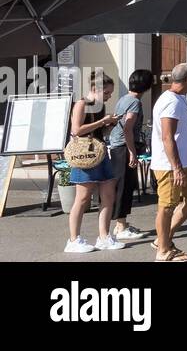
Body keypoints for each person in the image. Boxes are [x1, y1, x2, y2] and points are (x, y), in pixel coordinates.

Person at [151, 62, 187, 262]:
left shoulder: (179, 99)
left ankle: (163, 239)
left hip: (184, 162)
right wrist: (177, 168)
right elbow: (167, 137)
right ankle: (163, 251)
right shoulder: (170, 102)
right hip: (169, 164)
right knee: (167, 206)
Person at [64, 72, 123, 253]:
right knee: (82, 198)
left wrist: (109, 125)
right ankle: (73, 240)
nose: (108, 96)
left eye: (110, 93)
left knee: (108, 195)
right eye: (106, 93)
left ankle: (104, 237)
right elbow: (76, 131)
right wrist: (102, 122)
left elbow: (98, 134)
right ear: (95, 89)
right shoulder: (82, 104)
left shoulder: (100, 106)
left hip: (99, 152)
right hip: (84, 156)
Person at [108, 69, 154, 243]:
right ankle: (120, 226)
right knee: (125, 186)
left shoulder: (123, 99)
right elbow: (127, 128)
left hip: (117, 146)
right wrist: (132, 152)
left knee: (124, 185)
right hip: (123, 147)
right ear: (147, 86)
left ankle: (122, 224)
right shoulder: (134, 102)